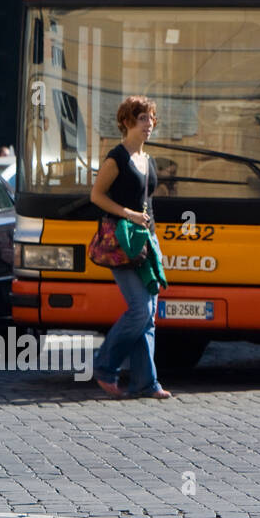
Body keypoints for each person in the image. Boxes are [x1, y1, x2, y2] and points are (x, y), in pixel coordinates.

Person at [89, 96, 172, 400]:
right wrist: (128, 214)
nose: (148, 124)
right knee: (139, 310)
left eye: (151, 118)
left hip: (146, 240)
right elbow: (96, 196)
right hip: (121, 241)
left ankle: (145, 382)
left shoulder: (146, 159)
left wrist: (154, 238)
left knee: (149, 314)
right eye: (142, 118)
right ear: (126, 121)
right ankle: (105, 367)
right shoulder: (117, 158)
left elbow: (147, 202)